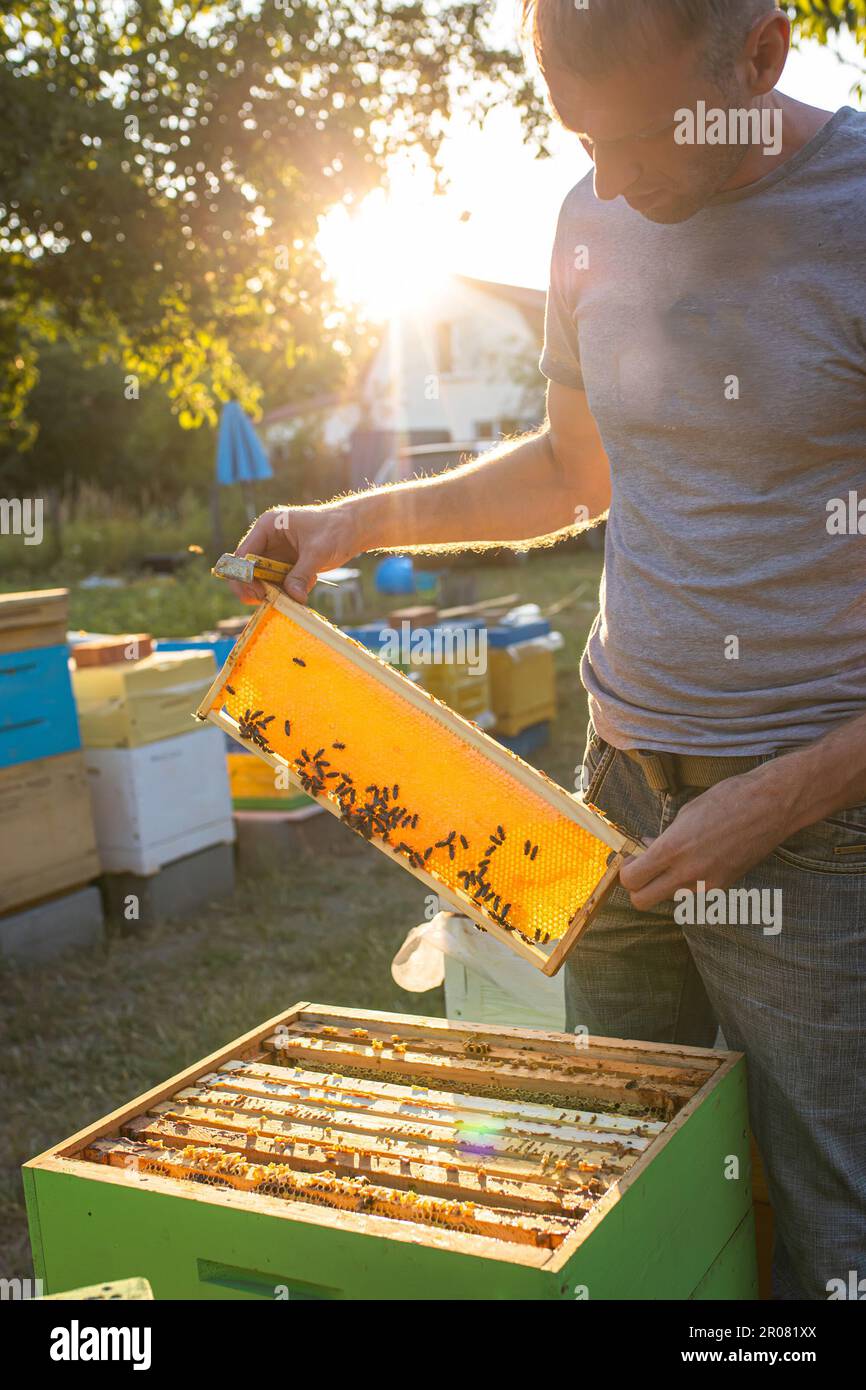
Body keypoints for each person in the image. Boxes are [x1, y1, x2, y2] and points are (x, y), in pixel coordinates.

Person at [233, 0, 866, 1300]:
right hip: (612, 796)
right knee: (640, 1186)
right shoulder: (590, 213)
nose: (612, 184)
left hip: (821, 824)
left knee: (831, 1215)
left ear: (760, 56)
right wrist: (357, 517)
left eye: (639, 142)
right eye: (583, 141)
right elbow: (574, 470)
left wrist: (785, 791)